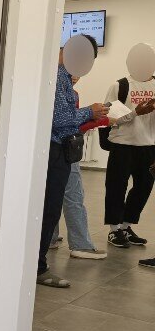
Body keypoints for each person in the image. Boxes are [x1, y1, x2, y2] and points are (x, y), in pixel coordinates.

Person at [38, 36, 108, 288]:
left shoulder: (61, 76)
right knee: (49, 208)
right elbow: (59, 119)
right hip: (55, 150)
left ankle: (37, 262)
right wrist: (90, 111)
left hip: (58, 150)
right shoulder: (58, 75)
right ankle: (38, 266)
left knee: (51, 207)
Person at [49, 75, 108, 259]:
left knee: (52, 193)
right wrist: (91, 113)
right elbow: (63, 121)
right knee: (73, 195)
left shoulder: (66, 90)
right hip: (64, 147)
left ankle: (49, 237)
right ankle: (81, 244)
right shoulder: (65, 90)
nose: (75, 76)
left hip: (57, 147)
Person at [103, 70, 155, 248]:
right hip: (122, 145)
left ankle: (125, 227)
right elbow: (108, 118)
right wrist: (135, 113)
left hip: (149, 145)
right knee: (116, 186)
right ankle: (114, 229)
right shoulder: (120, 86)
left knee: (144, 187)